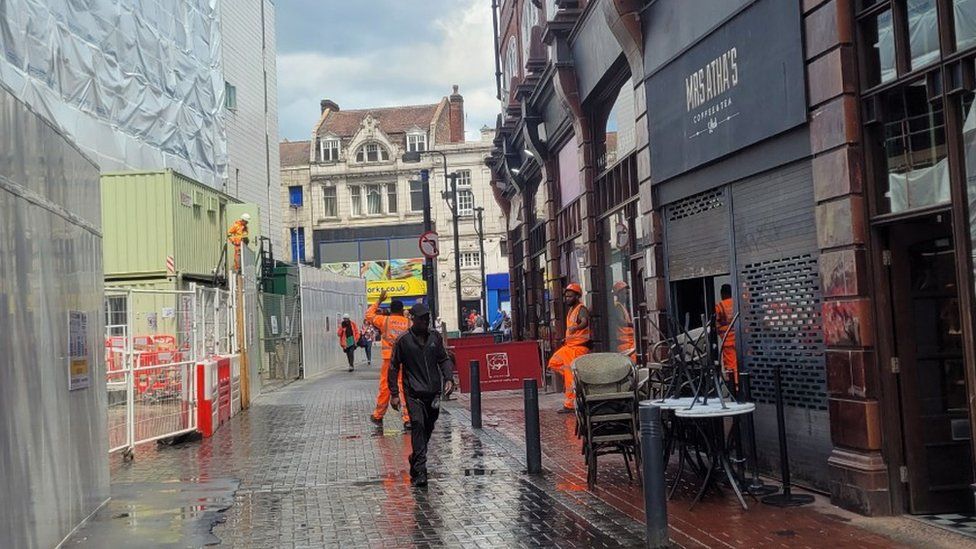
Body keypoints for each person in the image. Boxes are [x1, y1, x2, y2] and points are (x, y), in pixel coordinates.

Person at [389, 303, 454, 487]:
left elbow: (443, 359)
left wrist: (449, 378)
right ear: (413, 319)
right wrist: (394, 394)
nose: (425, 322)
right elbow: (394, 367)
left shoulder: (435, 338)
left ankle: (416, 457)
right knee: (418, 425)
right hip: (413, 393)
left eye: (427, 318)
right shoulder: (403, 341)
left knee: (428, 428)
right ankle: (420, 472)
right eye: (421, 319)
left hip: (433, 393)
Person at [365, 290, 411, 429]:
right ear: (402, 310)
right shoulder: (409, 323)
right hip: (404, 360)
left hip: (389, 360)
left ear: (390, 310)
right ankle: (408, 419)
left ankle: (378, 416)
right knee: (403, 387)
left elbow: (368, 315)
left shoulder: (384, 321)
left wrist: (378, 301)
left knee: (385, 387)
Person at [547, 283, 591, 413]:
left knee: (570, 376)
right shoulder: (572, 310)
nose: (567, 298)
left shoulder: (581, 308)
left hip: (578, 348)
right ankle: (577, 379)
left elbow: (584, 322)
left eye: (570, 296)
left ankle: (570, 405)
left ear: (577, 296)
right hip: (569, 347)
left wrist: (576, 327)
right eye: (566, 296)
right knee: (554, 362)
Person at [715, 284, 738, 383]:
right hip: (741, 341)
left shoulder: (720, 306)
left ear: (723, 294)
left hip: (728, 342)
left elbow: (714, 324)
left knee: (731, 366)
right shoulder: (737, 304)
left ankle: (735, 388)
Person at [611, 281, 637, 364]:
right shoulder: (617, 306)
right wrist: (634, 324)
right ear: (618, 294)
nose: (627, 296)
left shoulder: (622, 306)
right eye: (625, 293)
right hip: (624, 344)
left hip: (629, 342)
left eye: (627, 293)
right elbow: (621, 322)